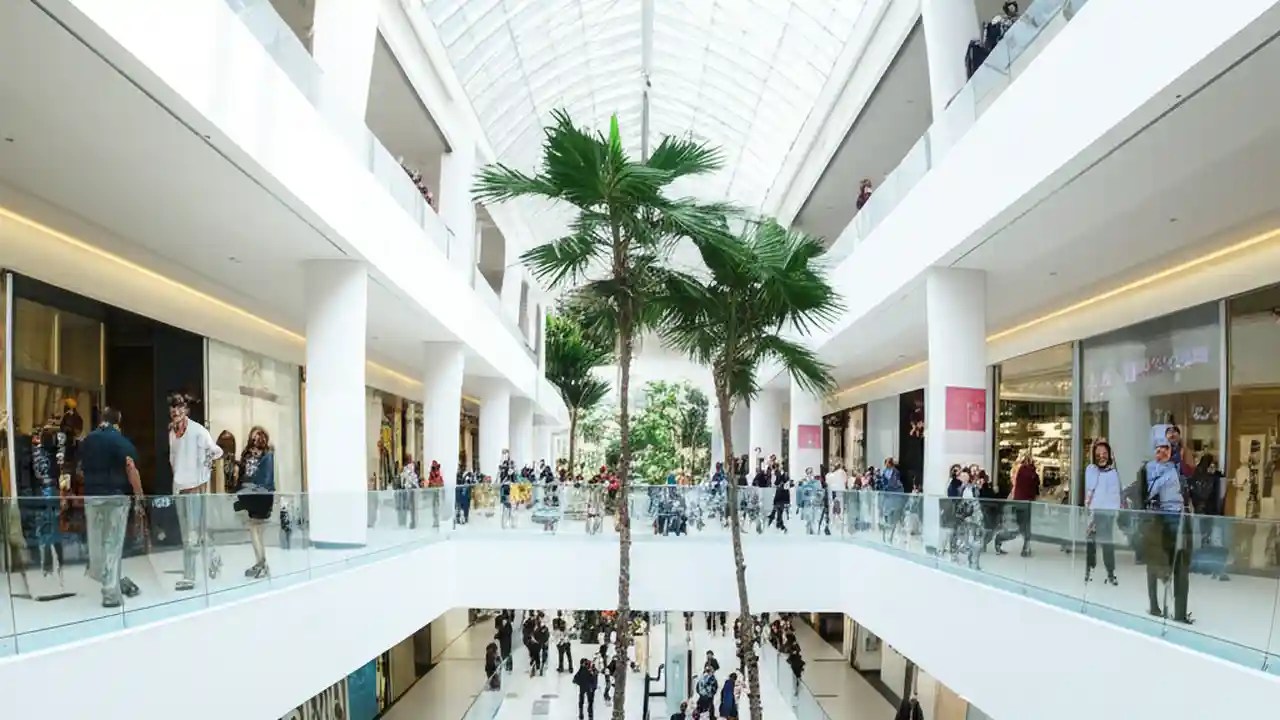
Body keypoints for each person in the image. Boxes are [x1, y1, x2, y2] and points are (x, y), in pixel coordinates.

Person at [79, 407, 144, 607]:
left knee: (97, 546)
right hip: (115, 499)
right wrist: (139, 496)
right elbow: (130, 467)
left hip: (91, 499)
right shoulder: (119, 441)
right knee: (112, 546)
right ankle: (110, 592)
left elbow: (80, 470)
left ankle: (107, 579)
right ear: (118, 421)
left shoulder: (87, 440)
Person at [168, 393, 222, 592]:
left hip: (194, 489)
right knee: (189, 534)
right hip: (180, 488)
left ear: (186, 410)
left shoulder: (198, 431)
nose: (176, 411)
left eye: (179, 407)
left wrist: (204, 471)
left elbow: (217, 451)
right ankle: (214, 557)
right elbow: (173, 459)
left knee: (192, 535)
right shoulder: (172, 433)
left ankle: (189, 576)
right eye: (173, 407)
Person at [1144, 429, 1193, 624]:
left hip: (1179, 518)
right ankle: (1155, 606)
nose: (1162, 452)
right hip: (1158, 520)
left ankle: (1180, 612)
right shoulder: (1150, 469)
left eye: (1166, 448)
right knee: (1155, 564)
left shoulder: (1176, 466)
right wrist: (1168, 475)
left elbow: (1190, 472)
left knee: (1180, 565)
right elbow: (1148, 491)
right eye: (1159, 448)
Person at [237, 426, 275, 579]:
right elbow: (244, 473)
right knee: (256, 531)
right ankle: (260, 562)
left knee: (255, 529)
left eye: (258, 437)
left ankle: (262, 563)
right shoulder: (248, 454)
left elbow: (266, 478)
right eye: (253, 437)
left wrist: (250, 485)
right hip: (251, 495)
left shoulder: (267, 455)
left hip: (262, 495)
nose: (255, 440)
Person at [1084, 439, 1121, 585]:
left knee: (1107, 544)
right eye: (1098, 454)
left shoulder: (1113, 473)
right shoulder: (1090, 470)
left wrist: (1114, 512)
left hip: (1106, 514)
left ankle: (1110, 573)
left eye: (1104, 453)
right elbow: (1089, 489)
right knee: (1090, 543)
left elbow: (1115, 494)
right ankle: (1089, 570)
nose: (1101, 456)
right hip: (1093, 513)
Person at [996, 454, 1039, 557]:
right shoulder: (1031, 474)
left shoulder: (1020, 471)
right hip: (1026, 503)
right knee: (1023, 528)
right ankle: (1024, 548)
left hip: (1018, 502)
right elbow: (1036, 487)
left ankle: (1001, 539)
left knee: (1019, 527)